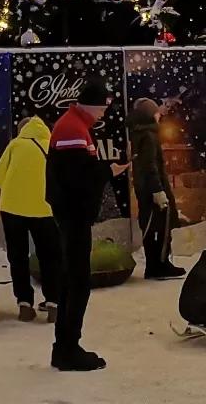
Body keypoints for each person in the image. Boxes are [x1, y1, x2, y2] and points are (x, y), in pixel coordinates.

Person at [45, 77, 129, 371]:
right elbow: (77, 176)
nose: (105, 113)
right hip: (73, 214)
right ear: (93, 106)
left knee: (73, 279)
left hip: (71, 212)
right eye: (103, 107)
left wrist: (105, 170)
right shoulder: (72, 130)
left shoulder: (74, 125)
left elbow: (77, 170)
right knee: (77, 282)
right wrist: (110, 170)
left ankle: (65, 346)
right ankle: (68, 349)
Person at [0, 114, 62, 320]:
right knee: (50, 257)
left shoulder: (15, 145)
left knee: (18, 256)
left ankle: (24, 304)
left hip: (12, 210)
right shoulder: (53, 146)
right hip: (45, 210)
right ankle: (54, 303)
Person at [126, 97, 182, 280]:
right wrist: (158, 190)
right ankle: (159, 265)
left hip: (145, 188)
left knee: (152, 228)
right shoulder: (149, 136)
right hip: (153, 189)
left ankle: (156, 264)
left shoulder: (139, 134)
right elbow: (150, 166)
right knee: (158, 227)